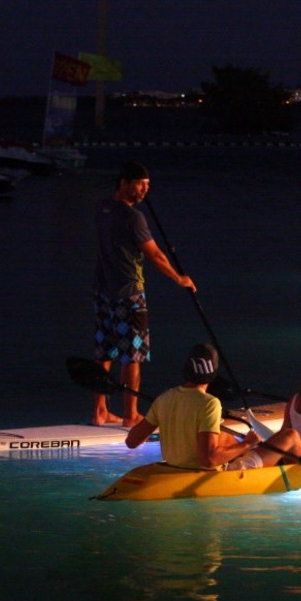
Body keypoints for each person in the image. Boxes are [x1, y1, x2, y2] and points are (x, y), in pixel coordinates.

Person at [92, 161, 197, 427]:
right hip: (129, 294)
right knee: (132, 355)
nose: (144, 190)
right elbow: (156, 256)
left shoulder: (102, 209)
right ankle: (130, 415)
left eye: (148, 185)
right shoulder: (134, 217)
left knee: (105, 351)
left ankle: (100, 412)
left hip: (103, 292)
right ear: (124, 182)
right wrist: (178, 278)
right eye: (140, 184)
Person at [125, 344, 301, 470]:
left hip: (174, 467)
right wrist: (247, 444)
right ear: (213, 374)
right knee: (290, 436)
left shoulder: (164, 399)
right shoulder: (209, 403)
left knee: (225, 437)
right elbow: (209, 459)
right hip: (216, 473)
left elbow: (131, 441)